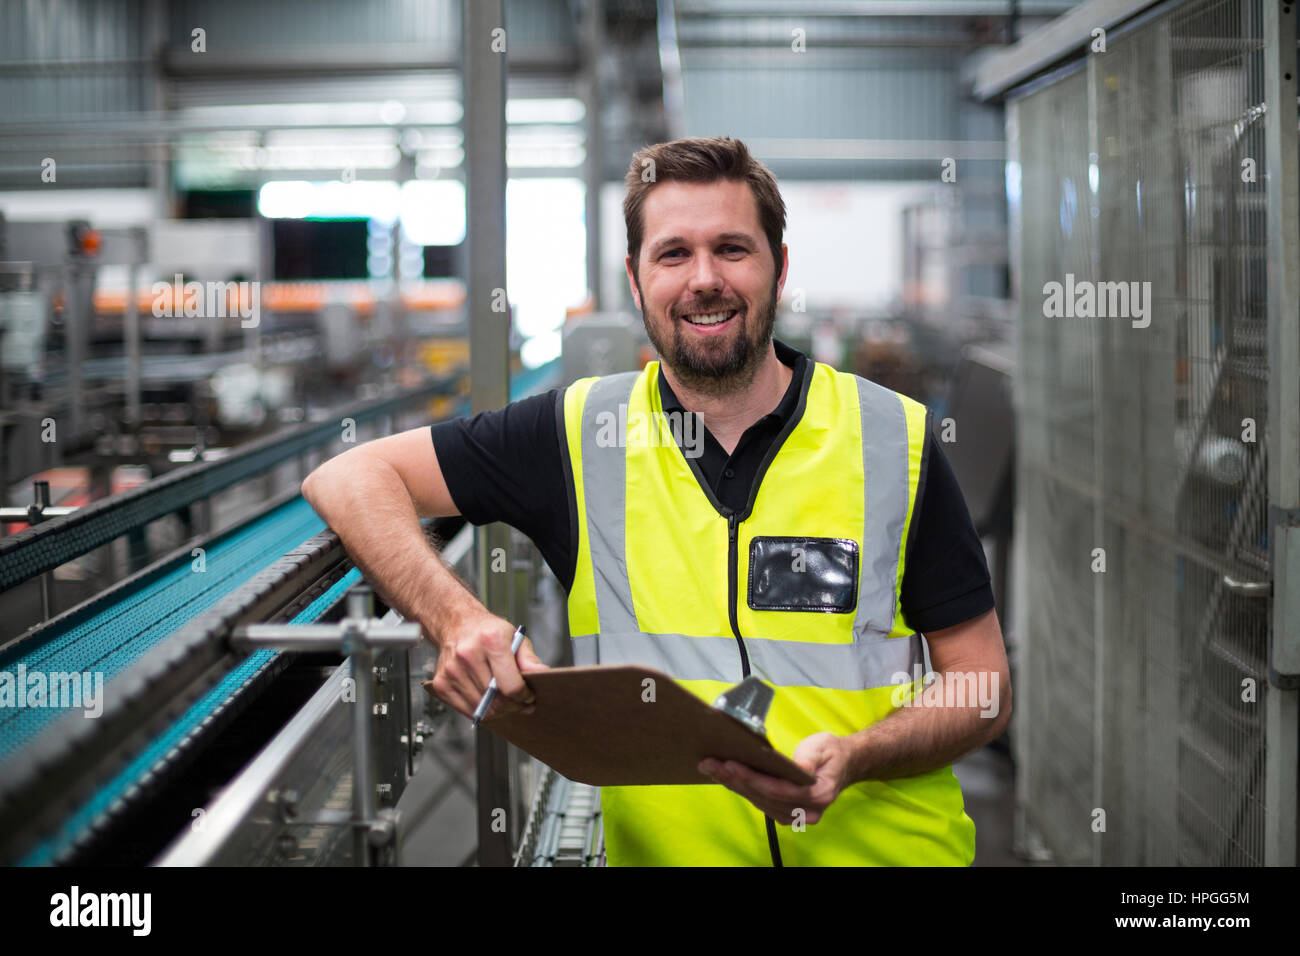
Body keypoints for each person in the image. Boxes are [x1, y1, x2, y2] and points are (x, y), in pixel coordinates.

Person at [302, 135, 1011, 866]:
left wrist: (858, 755)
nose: (705, 279)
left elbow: (983, 682)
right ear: (636, 284)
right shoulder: (577, 437)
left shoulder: (892, 438)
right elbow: (348, 478)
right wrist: (458, 619)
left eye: (732, 248)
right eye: (673, 254)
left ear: (779, 267)